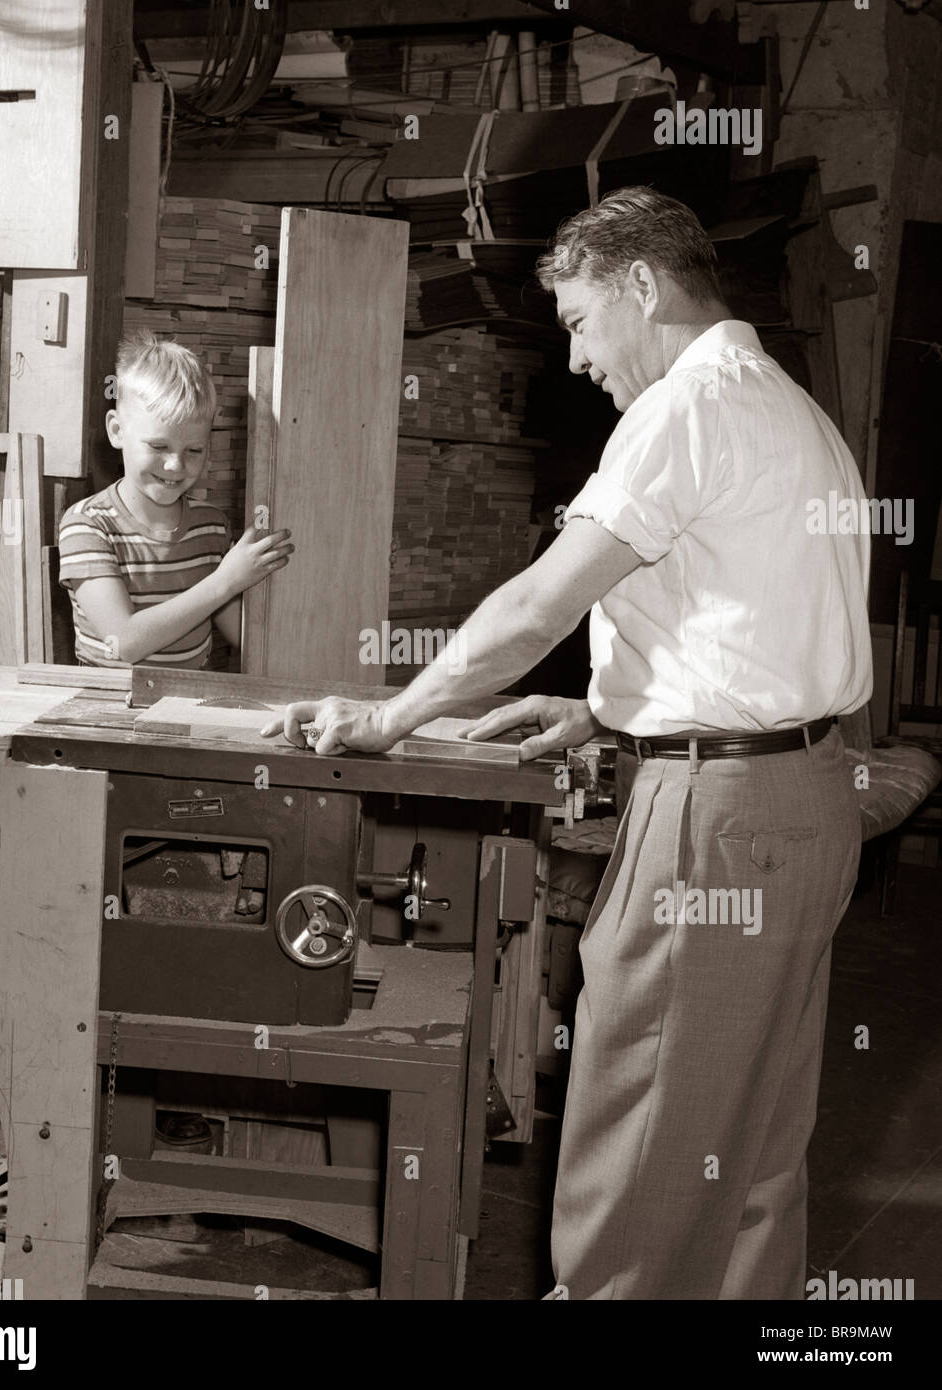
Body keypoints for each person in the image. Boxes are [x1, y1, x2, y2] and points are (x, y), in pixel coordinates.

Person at [262, 186, 872, 1299]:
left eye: (584, 323)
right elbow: (756, 627)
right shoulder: (791, 408)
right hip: (805, 796)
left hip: (719, 829)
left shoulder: (683, 409)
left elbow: (541, 603)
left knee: (638, 1151)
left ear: (643, 286)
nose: (581, 360)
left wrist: (390, 719)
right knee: (747, 1157)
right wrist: (604, 711)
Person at [59, 330, 292, 668]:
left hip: (189, 703)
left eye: (194, 450)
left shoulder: (210, 526)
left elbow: (243, 634)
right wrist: (226, 580)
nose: (176, 465)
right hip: (109, 711)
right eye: (158, 446)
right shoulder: (87, 525)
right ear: (117, 431)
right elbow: (125, 642)